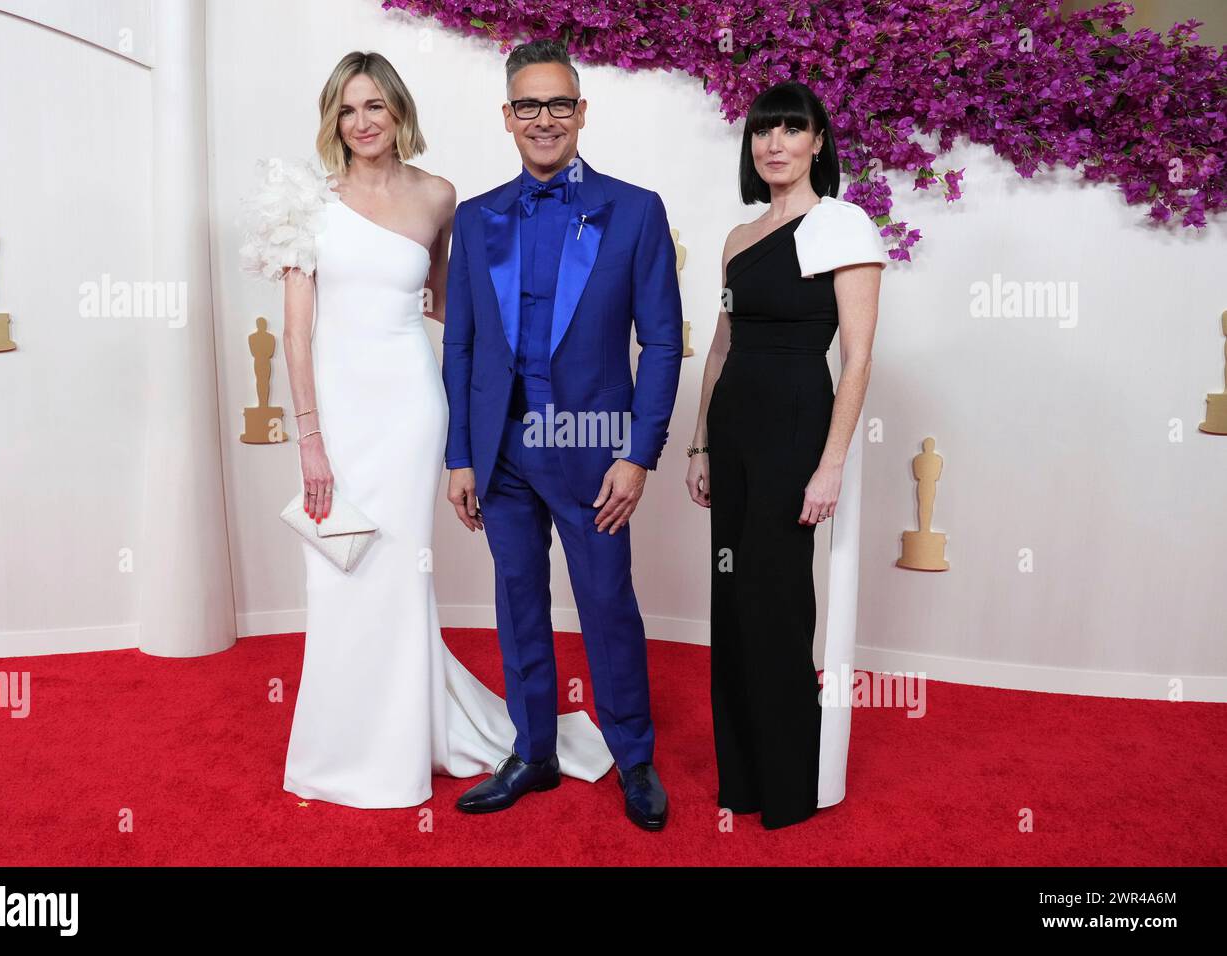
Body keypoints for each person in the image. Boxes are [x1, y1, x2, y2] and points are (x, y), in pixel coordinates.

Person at [240, 51, 613, 810]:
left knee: (402, 574)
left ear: (399, 112)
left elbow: (450, 304)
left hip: (412, 405)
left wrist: (542, 346)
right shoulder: (307, 202)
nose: (362, 122)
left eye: (375, 106)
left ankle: (402, 743)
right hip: (339, 415)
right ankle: (345, 747)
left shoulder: (441, 197)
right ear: (332, 120)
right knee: (339, 570)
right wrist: (309, 436)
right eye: (347, 109)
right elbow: (297, 335)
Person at [442, 40, 683, 830]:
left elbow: (662, 341)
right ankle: (534, 750)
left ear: (581, 113)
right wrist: (462, 455)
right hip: (501, 452)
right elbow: (463, 345)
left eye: (557, 104)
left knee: (607, 602)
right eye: (527, 105)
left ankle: (634, 756)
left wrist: (638, 453)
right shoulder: (475, 219)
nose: (542, 119)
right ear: (506, 118)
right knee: (517, 602)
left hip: (593, 448)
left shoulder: (636, 209)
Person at [685, 81, 885, 829]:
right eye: (762, 132)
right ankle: (742, 775)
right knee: (733, 600)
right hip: (734, 425)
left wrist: (831, 463)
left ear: (817, 142)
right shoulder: (738, 240)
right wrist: (701, 441)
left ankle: (788, 782)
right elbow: (721, 346)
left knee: (777, 600)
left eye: (789, 130)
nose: (774, 144)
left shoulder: (845, 225)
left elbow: (858, 359)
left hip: (798, 424)